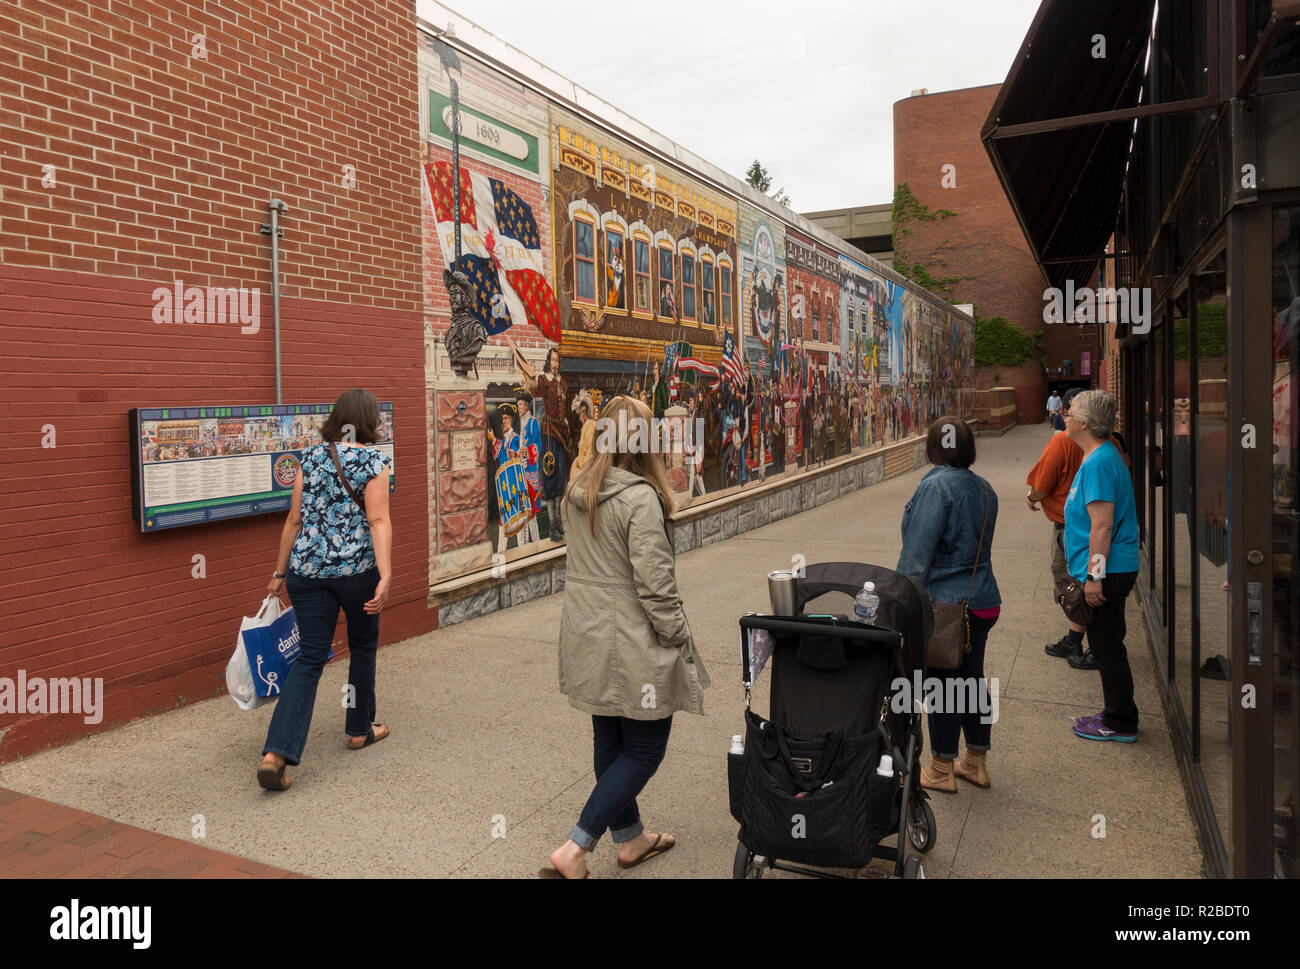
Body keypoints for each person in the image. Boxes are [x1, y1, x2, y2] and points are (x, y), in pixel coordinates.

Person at [542, 395, 710, 878]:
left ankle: (631, 837)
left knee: (610, 742)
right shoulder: (639, 499)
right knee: (644, 749)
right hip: (633, 641)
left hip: (588, 635)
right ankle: (575, 847)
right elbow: (656, 588)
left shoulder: (578, 490)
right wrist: (680, 638)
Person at [257, 388, 393, 791]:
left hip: (307, 573)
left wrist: (278, 575)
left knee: (309, 659)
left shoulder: (310, 458)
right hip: (356, 574)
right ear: (368, 421)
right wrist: (385, 574)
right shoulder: (374, 460)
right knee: (362, 646)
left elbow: (293, 522)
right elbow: (378, 521)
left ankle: (275, 754)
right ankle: (358, 727)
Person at [897, 416, 1001, 791]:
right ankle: (975, 762)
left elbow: (916, 559)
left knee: (943, 683)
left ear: (932, 446)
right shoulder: (985, 489)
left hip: (947, 607)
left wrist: (899, 601)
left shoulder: (936, 488)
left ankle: (941, 768)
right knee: (971, 679)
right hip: (983, 601)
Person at [1063, 390, 1142, 742]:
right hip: (1111, 568)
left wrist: (1095, 576)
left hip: (1108, 571)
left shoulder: (1098, 463)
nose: (1064, 414)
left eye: (1071, 411)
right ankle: (1116, 713)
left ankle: (1120, 721)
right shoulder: (1101, 456)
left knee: (1108, 648)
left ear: (1084, 423)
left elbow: (1103, 526)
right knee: (1108, 645)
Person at [1028, 388, 1091, 667]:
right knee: (1080, 580)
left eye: (1069, 413)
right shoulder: (1110, 443)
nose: (1065, 418)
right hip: (1089, 526)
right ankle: (1075, 638)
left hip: (1072, 526)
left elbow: (1042, 483)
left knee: (1070, 580)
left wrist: (1032, 498)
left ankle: (1080, 641)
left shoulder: (1062, 443)